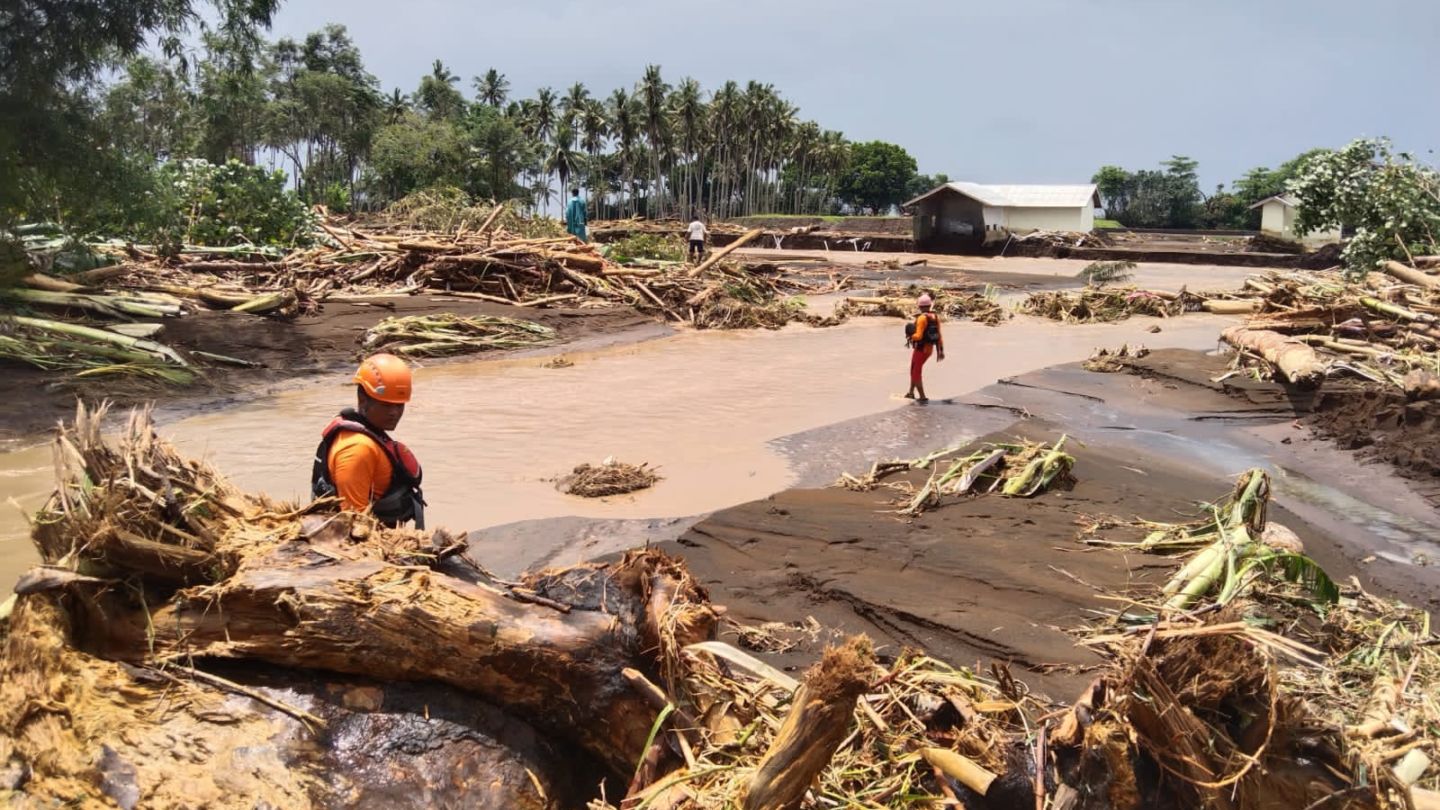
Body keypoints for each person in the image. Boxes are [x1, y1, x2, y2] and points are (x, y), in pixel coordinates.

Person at [312, 353, 426, 528]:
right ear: (362, 399)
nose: (394, 412)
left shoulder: (369, 435)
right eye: (386, 405)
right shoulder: (357, 449)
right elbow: (354, 522)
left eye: (399, 405)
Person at [904, 293, 944, 404]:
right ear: (930, 305)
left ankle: (922, 397)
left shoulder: (922, 318)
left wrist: (910, 335)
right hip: (930, 349)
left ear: (920, 306)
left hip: (921, 349)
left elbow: (919, 336)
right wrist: (941, 351)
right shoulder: (935, 317)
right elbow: (939, 335)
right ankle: (911, 392)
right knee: (913, 369)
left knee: (916, 372)